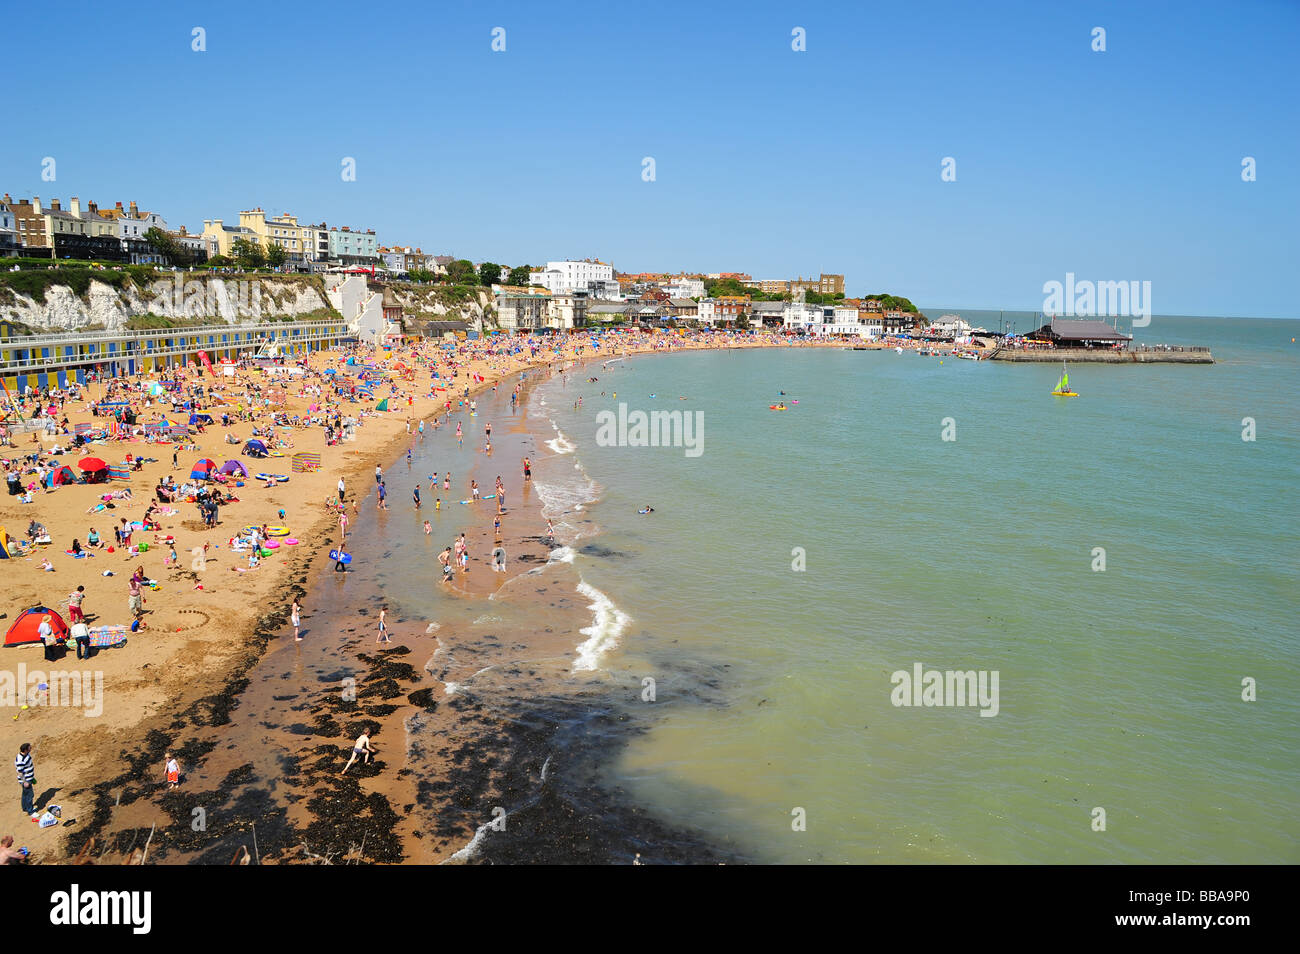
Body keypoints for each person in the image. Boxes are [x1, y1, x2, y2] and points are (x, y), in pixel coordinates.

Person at [15, 743, 35, 817]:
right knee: (30, 795)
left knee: (25, 794)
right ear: (25, 750)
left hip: (29, 778)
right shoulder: (20, 759)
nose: (31, 749)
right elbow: (20, 772)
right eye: (29, 748)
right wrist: (25, 782)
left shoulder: (26, 755)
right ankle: (30, 811)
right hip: (25, 780)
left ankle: (25, 808)